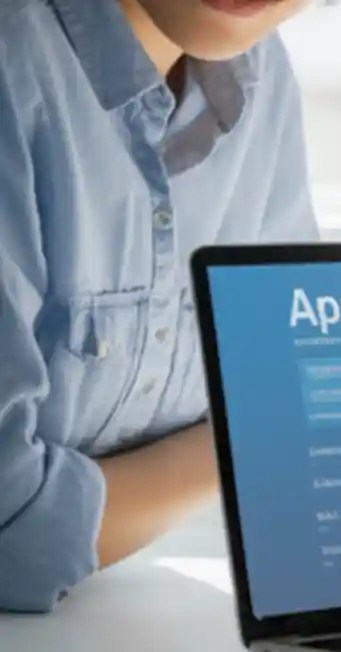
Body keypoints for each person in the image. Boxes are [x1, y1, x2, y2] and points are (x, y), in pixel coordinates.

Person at [0, 0, 316, 612]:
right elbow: (11, 536)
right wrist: (243, 443)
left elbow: (291, 384)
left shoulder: (261, 74)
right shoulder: (15, 65)